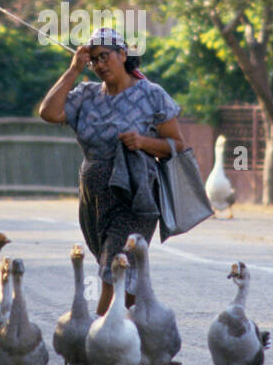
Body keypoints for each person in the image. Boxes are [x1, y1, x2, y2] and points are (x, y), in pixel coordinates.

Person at [38, 27, 184, 315]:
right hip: (94, 200)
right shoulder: (86, 95)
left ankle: (96, 341)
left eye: (105, 57)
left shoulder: (152, 95)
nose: (99, 65)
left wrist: (143, 142)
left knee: (113, 266)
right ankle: (134, 336)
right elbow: (49, 113)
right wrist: (73, 70)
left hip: (136, 196)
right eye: (93, 60)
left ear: (123, 54)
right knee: (117, 267)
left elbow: (176, 145)